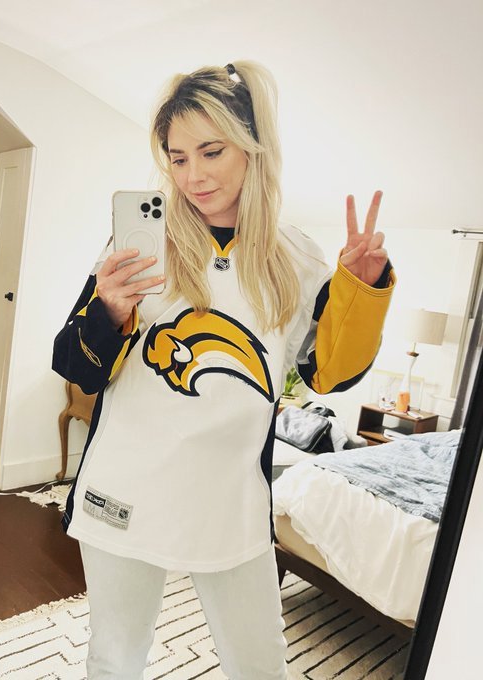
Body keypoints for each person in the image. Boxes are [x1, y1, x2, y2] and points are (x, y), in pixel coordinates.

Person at [52, 61, 395, 680]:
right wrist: (109, 311)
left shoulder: (297, 258)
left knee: (260, 666)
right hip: (125, 488)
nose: (194, 176)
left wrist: (360, 291)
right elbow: (75, 365)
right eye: (177, 158)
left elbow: (328, 376)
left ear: (252, 147)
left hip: (232, 499)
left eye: (211, 152)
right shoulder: (137, 246)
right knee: (114, 661)